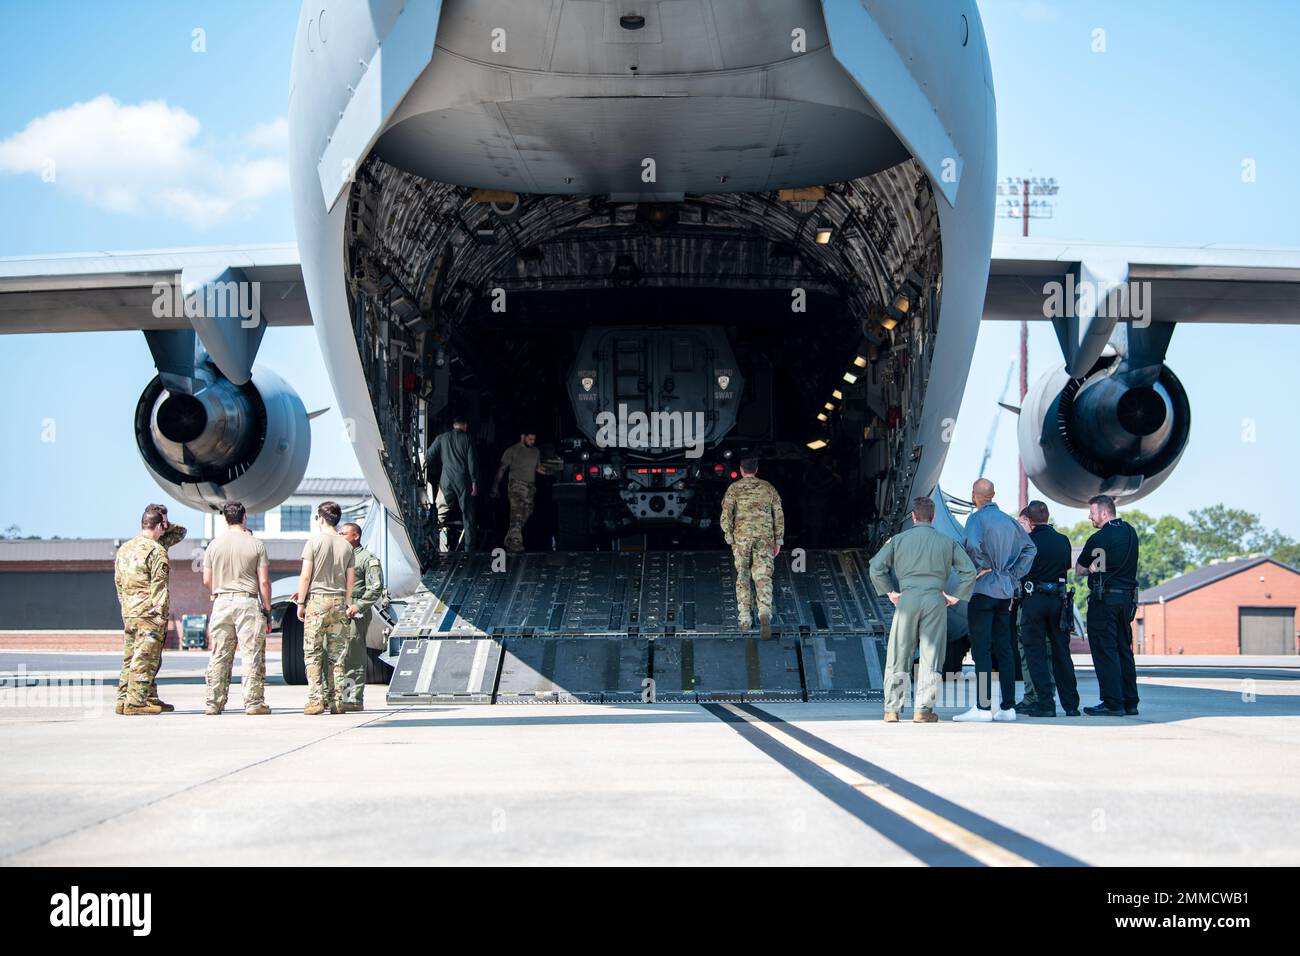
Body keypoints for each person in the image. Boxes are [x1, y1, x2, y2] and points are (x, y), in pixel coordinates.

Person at [869, 496, 978, 723]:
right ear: (934, 516)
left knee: (899, 654)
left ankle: (892, 709)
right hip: (935, 600)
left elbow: (876, 567)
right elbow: (968, 571)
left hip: (906, 600)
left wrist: (890, 592)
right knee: (931, 655)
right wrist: (955, 596)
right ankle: (923, 710)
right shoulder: (946, 542)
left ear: (914, 516)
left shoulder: (898, 540)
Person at [956, 478, 1036, 723]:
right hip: (1004, 593)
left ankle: (982, 707)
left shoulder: (976, 519)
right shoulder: (1010, 521)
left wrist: (980, 566)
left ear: (974, 495)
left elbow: (969, 544)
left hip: (983, 590)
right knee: (1005, 648)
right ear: (994, 494)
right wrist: (1011, 575)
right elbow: (1030, 549)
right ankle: (1008, 707)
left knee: (981, 649)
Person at [114, 504, 186, 715]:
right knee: (145, 658)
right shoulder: (157, 550)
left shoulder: (124, 549)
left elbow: (118, 582)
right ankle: (136, 703)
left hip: (130, 611)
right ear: (160, 525)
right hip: (149, 613)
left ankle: (124, 699)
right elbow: (159, 586)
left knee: (131, 656)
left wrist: (126, 605)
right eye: (163, 525)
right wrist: (161, 616)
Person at [201, 501, 273, 716]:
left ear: (225, 518)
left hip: (221, 601)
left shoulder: (214, 545)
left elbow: (206, 579)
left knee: (219, 654)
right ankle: (253, 702)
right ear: (244, 518)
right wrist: (267, 609)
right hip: (247, 601)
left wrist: (220, 591)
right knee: (251, 654)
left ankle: (213, 702)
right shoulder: (256, 544)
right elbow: (264, 582)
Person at [1076, 494, 1141, 717]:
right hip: (1126, 601)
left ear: (1104, 513)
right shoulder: (1130, 532)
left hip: (1104, 602)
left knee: (1105, 651)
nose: (1089, 517)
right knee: (1124, 649)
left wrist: (1090, 569)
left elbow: (1080, 568)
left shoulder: (1099, 539)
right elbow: (1106, 564)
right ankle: (1130, 700)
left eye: (1092, 513)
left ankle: (1113, 702)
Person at [1015, 500, 1080, 717]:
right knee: (1062, 652)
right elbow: (1067, 566)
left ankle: (1046, 703)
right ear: (1048, 515)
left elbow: (1018, 570)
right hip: (1058, 601)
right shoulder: (1062, 540)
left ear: (1030, 520)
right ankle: (1071, 704)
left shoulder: (1028, 541)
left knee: (1036, 652)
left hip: (1034, 601)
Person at [296, 501, 356, 715]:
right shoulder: (347, 546)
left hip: (317, 601)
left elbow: (305, 576)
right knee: (337, 655)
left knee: (313, 652)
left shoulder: (313, 543)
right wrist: (347, 601)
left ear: (320, 518)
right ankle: (337, 701)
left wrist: (301, 603)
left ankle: (315, 700)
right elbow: (351, 578)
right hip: (339, 601)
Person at [720, 458, 785, 640]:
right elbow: (778, 513)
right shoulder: (768, 487)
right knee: (763, 575)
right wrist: (778, 539)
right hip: (764, 537)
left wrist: (729, 535)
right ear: (756, 470)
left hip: (742, 538)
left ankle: (745, 619)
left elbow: (726, 513)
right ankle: (764, 613)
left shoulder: (734, 488)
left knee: (743, 575)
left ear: (741, 470)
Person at [339, 521, 385, 712]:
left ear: (355, 536)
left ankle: (352, 698)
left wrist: (358, 606)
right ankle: (333, 695)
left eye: (344, 534)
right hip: (338, 607)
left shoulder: (367, 559)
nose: (340, 537)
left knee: (353, 654)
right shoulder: (340, 557)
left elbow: (375, 588)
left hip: (355, 610)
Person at [426, 415, 479, 552]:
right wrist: (474, 481)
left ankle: (433, 544)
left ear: (453, 425)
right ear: (465, 426)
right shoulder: (468, 439)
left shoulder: (442, 438)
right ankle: (469, 548)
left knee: (439, 513)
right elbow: (472, 461)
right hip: (463, 481)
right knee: (468, 515)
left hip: (446, 480)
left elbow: (429, 455)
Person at [493, 431, 548, 553]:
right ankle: (515, 543)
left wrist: (550, 471)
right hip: (516, 486)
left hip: (530, 488)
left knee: (527, 513)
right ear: (523, 437)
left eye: (534, 439)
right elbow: (502, 469)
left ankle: (509, 539)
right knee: (517, 515)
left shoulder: (536, 452)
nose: (532, 442)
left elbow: (538, 468)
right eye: (530, 439)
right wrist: (495, 486)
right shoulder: (512, 451)